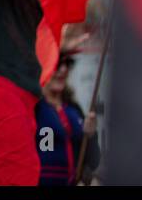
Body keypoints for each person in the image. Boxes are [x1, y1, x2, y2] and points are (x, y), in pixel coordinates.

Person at [36, 51, 99, 185]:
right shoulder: (33, 106)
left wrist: (92, 135)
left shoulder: (74, 109)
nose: (63, 69)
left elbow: (93, 161)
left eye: (67, 63)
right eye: (57, 64)